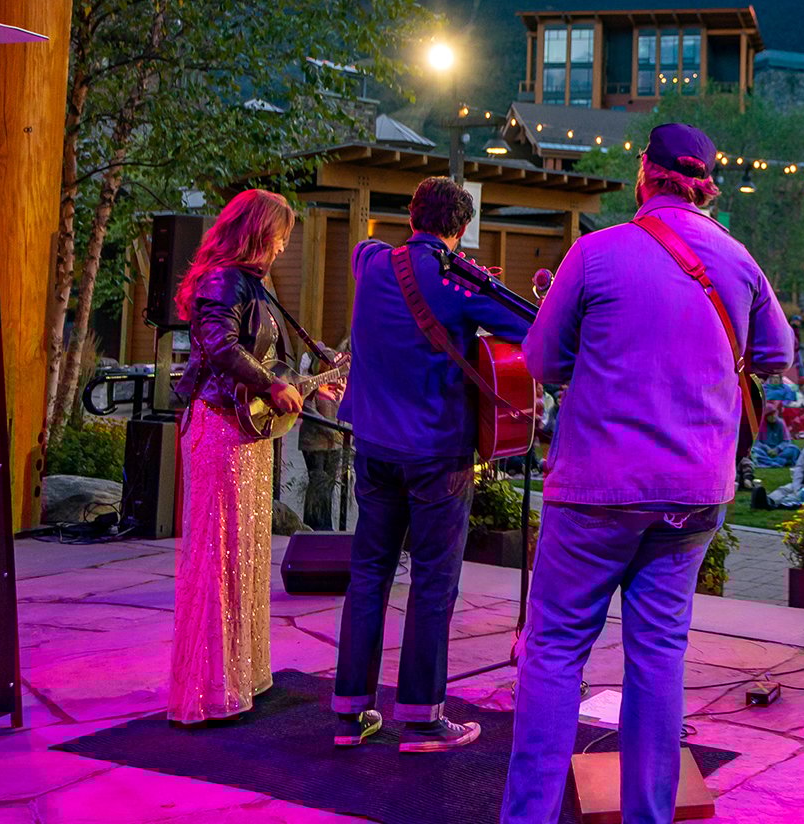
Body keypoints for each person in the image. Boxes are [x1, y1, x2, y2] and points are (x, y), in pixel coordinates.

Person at [503, 124, 795, 823]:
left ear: (645, 172)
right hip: (695, 494)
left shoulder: (596, 252)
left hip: (597, 491)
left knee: (552, 651)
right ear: (705, 184)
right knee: (660, 656)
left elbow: (541, 361)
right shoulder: (738, 258)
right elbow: (776, 354)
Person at [329, 178, 534, 749]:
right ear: (461, 227)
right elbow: (529, 330)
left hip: (372, 446)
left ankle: (350, 714)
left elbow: (362, 251)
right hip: (435, 451)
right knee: (432, 583)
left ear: (412, 215)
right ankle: (420, 716)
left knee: (368, 575)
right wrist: (475, 279)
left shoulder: (371, 262)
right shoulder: (455, 280)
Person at [168, 189, 307, 725]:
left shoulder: (252, 283)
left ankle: (238, 677)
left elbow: (265, 357)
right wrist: (272, 383)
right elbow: (221, 348)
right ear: (255, 231)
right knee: (217, 556)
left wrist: (302, 385)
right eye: (279, 235)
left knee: (243, 554)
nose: (282, 245)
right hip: (218, 427)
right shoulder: (224, 279)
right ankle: (205, 689)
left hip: (243, 430)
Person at [299, 341, 348, 531]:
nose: (330, 365)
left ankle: (325, 525)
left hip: (334, 444)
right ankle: (315, 525)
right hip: (314, 442)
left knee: (328, 486)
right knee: (317, 484)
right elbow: (309, 410)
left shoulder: (336, 385)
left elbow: (340, 410)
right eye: (326, 361)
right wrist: (332, 430)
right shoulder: (311, 382)